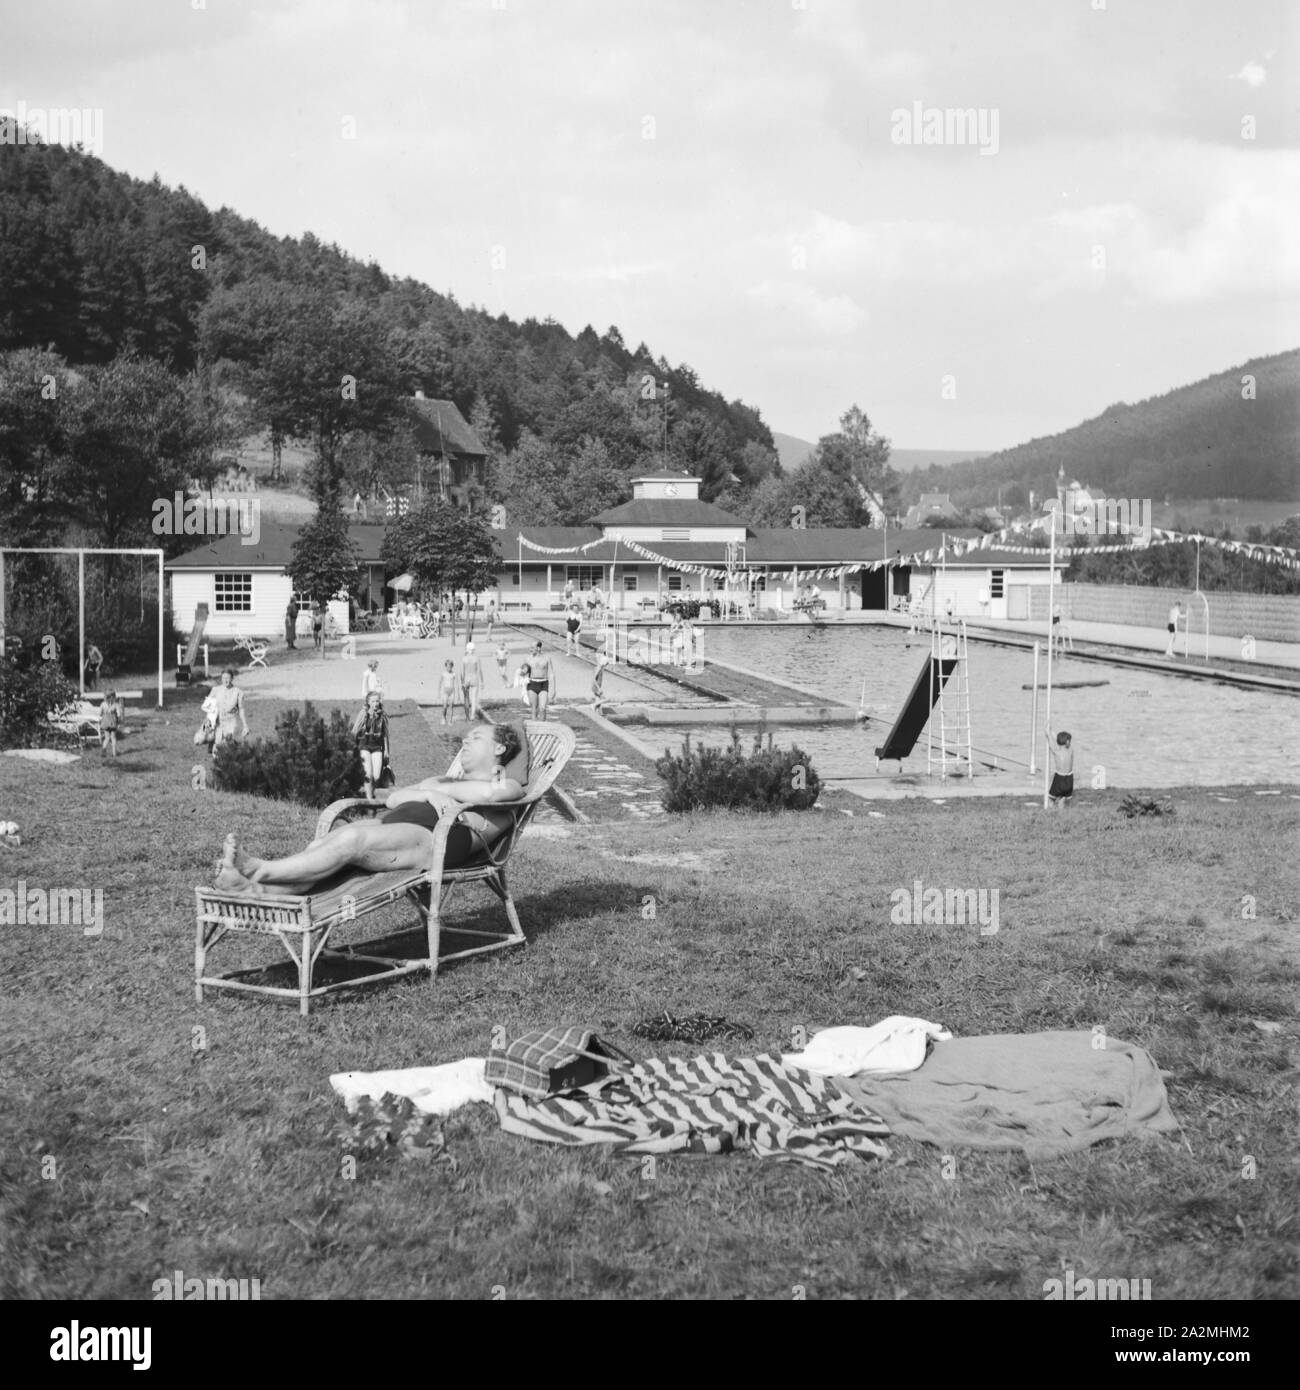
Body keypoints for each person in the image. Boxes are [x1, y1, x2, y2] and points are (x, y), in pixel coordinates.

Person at [214, 724, 528, 895]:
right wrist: (431, 793)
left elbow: (489, 792)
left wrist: (428, 793)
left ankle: (259, 869)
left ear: (499, 748)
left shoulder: (509, 784)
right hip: (395, 824)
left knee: (351, 844)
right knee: (323, 845)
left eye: (476, 737)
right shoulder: (440, 778)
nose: (465, 741)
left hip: (440, 839)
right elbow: (393, 799)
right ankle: (255, 891)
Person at [351, 692, 390, 800]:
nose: (376, 703)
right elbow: (355, 731)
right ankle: (369, 800)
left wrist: (386, 751)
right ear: (368, 702)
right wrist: (351, 747)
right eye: (373, 701)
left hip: (377, 747)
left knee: (376, 776)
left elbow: (385, 735)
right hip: (364, 746)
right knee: (368, 774)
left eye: (377, 701)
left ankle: (371, 794)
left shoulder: (382, 715)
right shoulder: (363, 713)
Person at [209, 668, 249, 750]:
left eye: (228, 678)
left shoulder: (238, 692)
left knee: (229, 746)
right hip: (218, 722)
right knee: (216, 746)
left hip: (232, 723)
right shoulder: (215, 690)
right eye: (223, 678)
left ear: (232, 678)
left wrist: (245, 725)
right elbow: (208, 707)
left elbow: (241, 709)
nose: (225, 680)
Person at [523, 640, 553, 720]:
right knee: (534, 709)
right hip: (532, 684)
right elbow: (524, 674)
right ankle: (534, 729)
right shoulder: (528, 659)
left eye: (532, 647)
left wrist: (554, 689)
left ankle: (543, 728)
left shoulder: (547, 658)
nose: (530, 649)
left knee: (542, 708)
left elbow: (552, 674)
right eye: (530, 648)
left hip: (544, 684)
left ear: (539, 648)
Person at [1045, 730, 1074, 810]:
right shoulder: (1071, 750)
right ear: (1068, 742)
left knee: (1051, 799)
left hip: (1059, 778)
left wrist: (1048, 734)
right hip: (1069, 778)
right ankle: (1061, 812)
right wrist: (1053, 733)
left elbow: (1051, 742)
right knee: (1062, 797)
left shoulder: (1056, 751)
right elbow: (1060, 741)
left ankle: (1052, 812)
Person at [461, 641, 484, 720]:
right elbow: (479, 671)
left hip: (467, 678)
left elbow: (462, 672)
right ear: (474, 649)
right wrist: (482, 681)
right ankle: (472, 715)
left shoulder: (464, 658)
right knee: (474, 698)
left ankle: (467, 715)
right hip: (474, 678)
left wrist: (462, 682)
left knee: (466, 698)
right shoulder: (476, 658)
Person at [99, 687, 123, 758]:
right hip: (113, 723)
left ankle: (104, 748)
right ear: (114, 697)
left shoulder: (103, 704)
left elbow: (100, 713)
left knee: (106, 738)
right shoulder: (116, 705)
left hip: (105, 723)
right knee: (113, 738)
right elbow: (119, 714)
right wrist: (119, 722)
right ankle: (114, 753)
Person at [438, 659, 459, 725]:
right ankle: (443, 717)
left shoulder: (454, 674)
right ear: (445, 666)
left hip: (452, 692)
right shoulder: (444, 674)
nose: (449, 668)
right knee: (444, 706)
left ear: (452, 666)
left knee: (451, 706)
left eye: (450, 667)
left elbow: (457, 684)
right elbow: (440, 683)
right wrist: (438, 693)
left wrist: (458, 695)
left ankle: (450, 721)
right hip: (445, 692)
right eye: (447, 666)